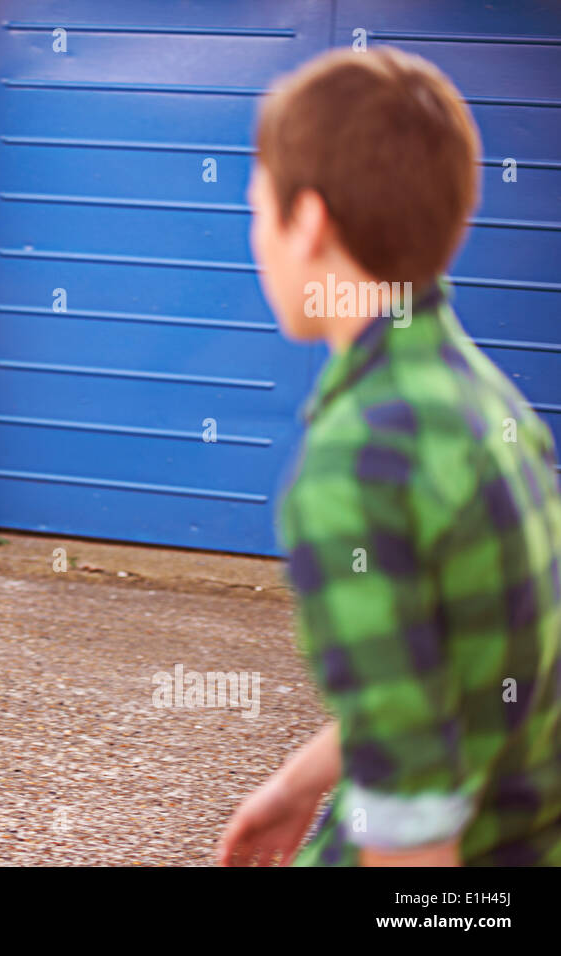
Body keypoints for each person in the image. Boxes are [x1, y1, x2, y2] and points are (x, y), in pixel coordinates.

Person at [219, 47, 561, 865]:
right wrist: (301, 781)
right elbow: (461, 662)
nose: (255, 238)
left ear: (309, 221)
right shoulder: (486, 399)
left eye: (258, 208)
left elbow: (416, 833)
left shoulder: (355, 469)